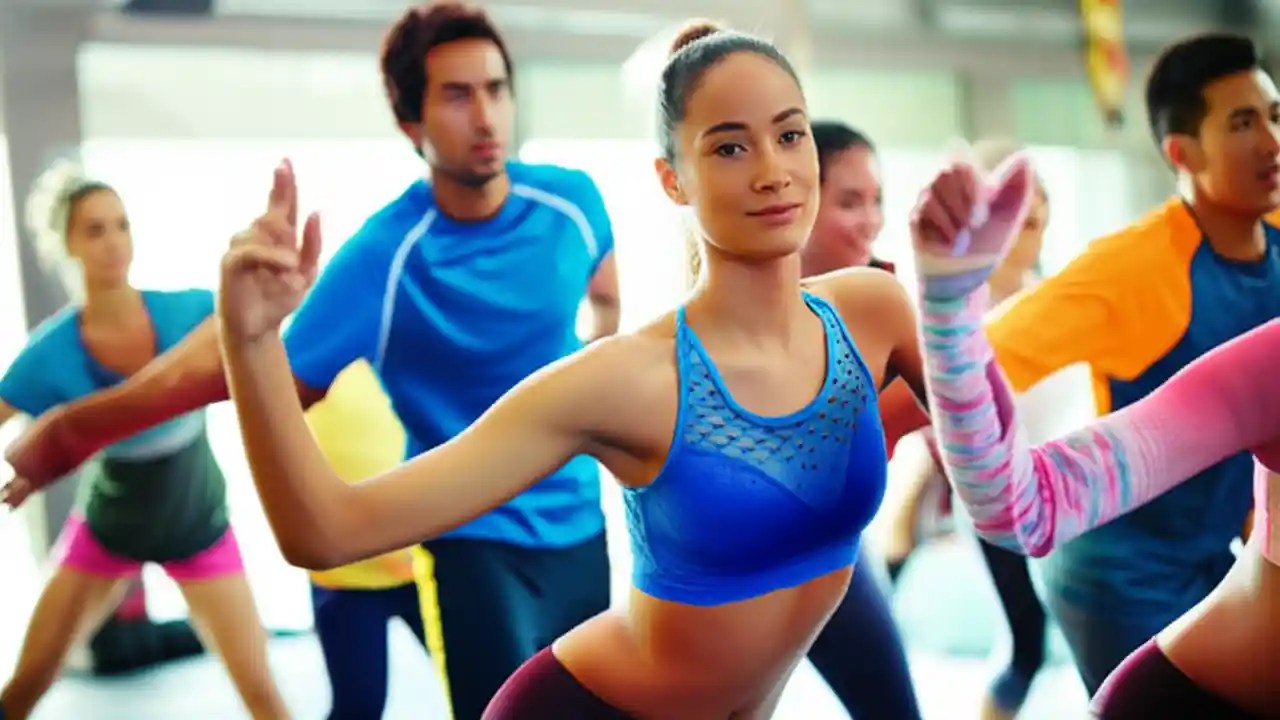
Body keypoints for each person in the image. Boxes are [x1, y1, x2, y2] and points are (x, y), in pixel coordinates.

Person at [213, 20, 929, 718]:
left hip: (591, 557)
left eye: (790, 134)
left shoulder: (873, 312)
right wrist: (247, 341)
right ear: (672, 179)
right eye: (730, 147)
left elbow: (1002, 460)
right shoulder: (623, 380)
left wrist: (957, 285)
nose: (773, 172)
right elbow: (324, 530)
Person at [2, 4, 620, 717]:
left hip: (581, 524)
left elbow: (604, 295)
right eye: (457, 95)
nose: (486, 116)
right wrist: (78, 428)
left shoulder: (575, 201)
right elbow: (246, 374)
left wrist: (584, 384)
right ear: (410, 124)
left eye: (496, 88)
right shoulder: (386, 258)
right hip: (472, 539)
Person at [876, 31, 1280, 696]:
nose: (1270, 141)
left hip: (1212, 551)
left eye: (1274, 115)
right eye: (1243, 123)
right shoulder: (1132, 268)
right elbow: (988, 355)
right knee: (1030, 661)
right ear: (1181, 152)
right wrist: (853, 435)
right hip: (1115, 564)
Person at [0, 162, 288, 720]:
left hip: (198, 525)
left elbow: (270, 341)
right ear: (66, 245)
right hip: (108, 530)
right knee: (25, 685)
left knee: (264, 699)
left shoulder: (189, 311)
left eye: (121, 225)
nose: (113, 242)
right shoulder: (51, 352)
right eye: (95, 229)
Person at [884, 138, 1054, 720]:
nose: (1026, 228)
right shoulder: (953, 313)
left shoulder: (1059, 298)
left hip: (1062, 490)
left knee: (1052, 646)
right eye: (1015, 216)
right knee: (1026, 647)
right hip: (991, 495)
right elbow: (925, 411)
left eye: (1036, 216)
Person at [796, 119, 922, 720]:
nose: (871, 219)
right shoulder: (737, 310)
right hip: (727, 568)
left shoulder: (888, 300)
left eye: (877, 201)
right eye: (850, 202)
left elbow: (950, 407)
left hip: (830, 551)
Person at [303, 359, 425, 720]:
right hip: (345, 580)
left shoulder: (404, 349)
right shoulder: (301, 360)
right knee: (358, 707)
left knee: (488, 693)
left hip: (426, 567)